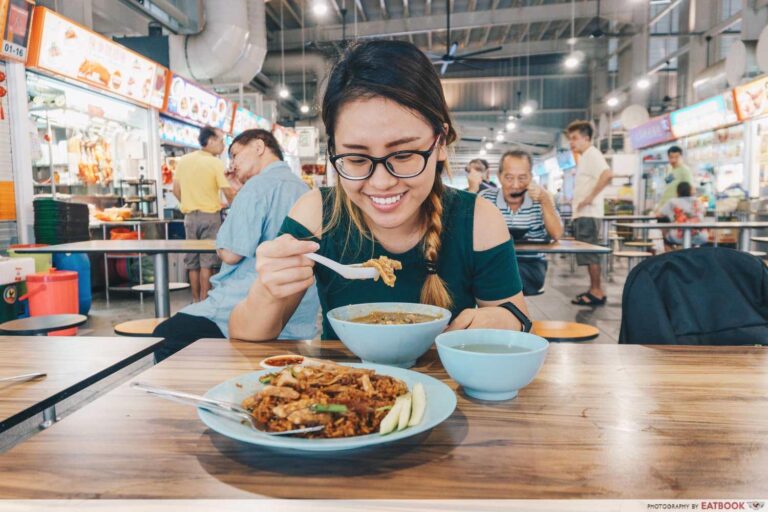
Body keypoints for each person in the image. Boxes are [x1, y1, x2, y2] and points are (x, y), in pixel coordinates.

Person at [229, 40, 531, 342]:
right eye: (357, 159)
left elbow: (517, 317)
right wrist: (267, 290)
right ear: (334, 151)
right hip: (343, 386)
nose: (381, 182)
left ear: (440, 142)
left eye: (403, 155)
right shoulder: (316, 215)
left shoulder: (478, 219)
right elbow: (244, 335)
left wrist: (504, 320)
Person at [154, 129, 320, 361]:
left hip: (242, 308)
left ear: (259, 147)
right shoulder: (303, 188)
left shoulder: (258, 186)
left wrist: (221, 246)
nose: (232, 164)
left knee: (164, 336)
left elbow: (230, 254)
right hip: (300, 318)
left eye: (235, 154)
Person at [480, 150, 563, 295]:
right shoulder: (485, 198)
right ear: (499, 176)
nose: (516, 185)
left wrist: (545, 200)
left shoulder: (541, 200)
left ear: (531, 177)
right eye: (509, 178)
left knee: (499, 280)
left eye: (522, 178)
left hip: (530, 265)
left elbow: (556, 234)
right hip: (494, 262)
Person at [173, 126, 235, 302]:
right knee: (207, 262)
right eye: (222, 141)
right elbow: (228, 191)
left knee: (193, 262)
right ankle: (205, 301)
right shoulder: (215, 163)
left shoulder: (184, 161)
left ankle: (195, 300)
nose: (223, 146)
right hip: (210, 218)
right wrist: (236, 208)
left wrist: (188, 202)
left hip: (189, 218)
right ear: (211, 140)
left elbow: (175, 190)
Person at [566, 120, 613, 307]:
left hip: (588, 214)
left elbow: (607, 174)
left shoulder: (592, 154)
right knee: (588, 253)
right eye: (570, 139)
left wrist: (590, 198)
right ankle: (594, 289)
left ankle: (596, 291)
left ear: (586, 138)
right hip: (584, 214)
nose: (572, 142)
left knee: (590, 253)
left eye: (575, 138)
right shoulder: (585, 156)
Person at [658, 181, 707, 248]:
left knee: (665, 233)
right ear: (690, 191)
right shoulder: (697, 201)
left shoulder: (672, 201)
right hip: (700, 236)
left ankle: (671, 254)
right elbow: (704, 213)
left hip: (677, 236)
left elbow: (660, 215)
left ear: (678, 192)